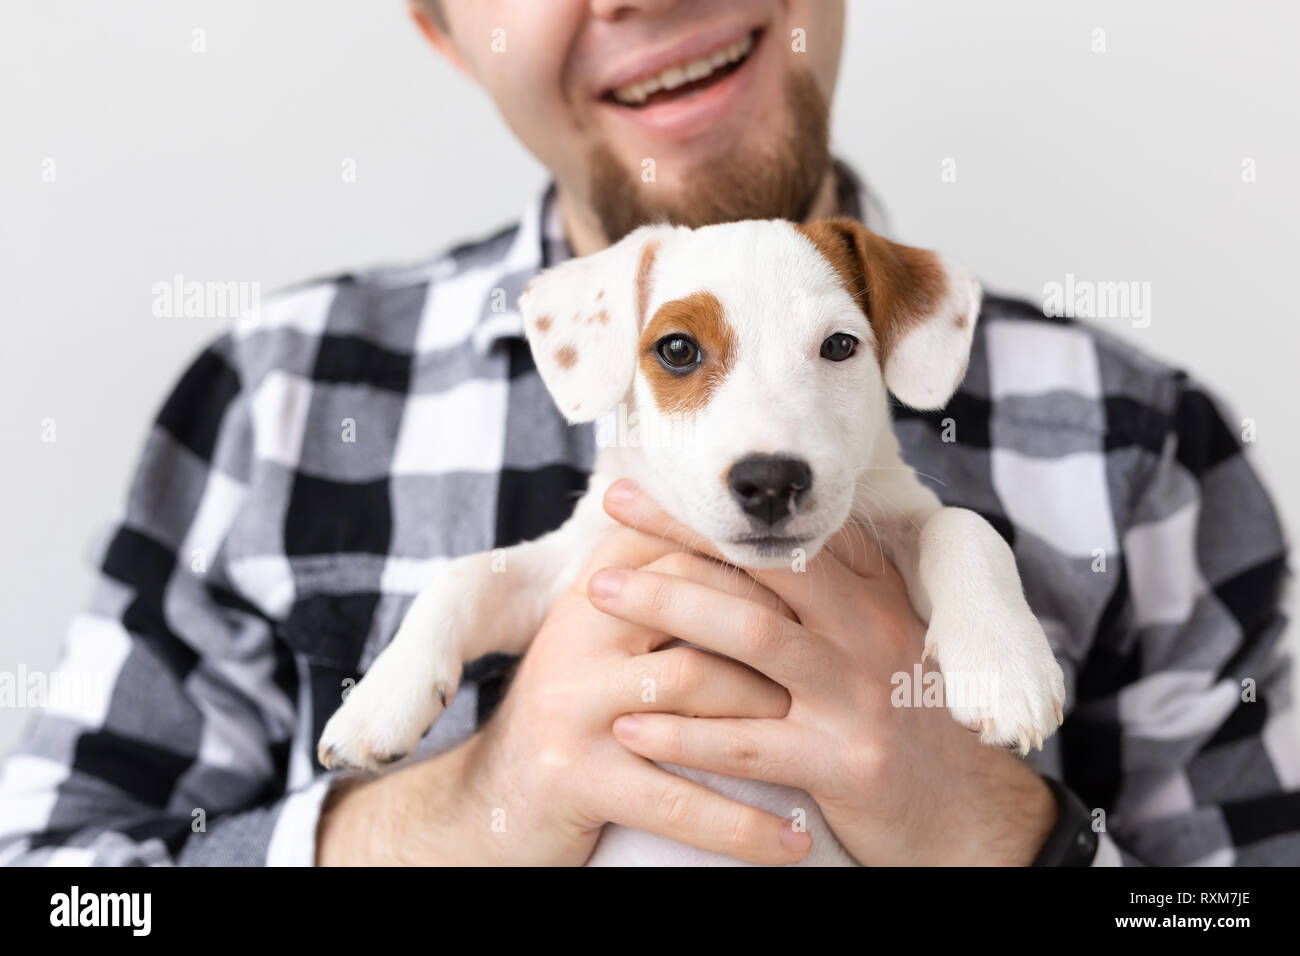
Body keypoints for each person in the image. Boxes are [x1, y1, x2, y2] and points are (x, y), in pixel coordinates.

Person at [1, 0, 1294, 866]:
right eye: (683, 357)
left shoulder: (1147, 444)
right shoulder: (267, 408)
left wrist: (1004, 835)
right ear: (442, 25)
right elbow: (58, 880)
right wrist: (456, 815)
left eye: (834, 351)